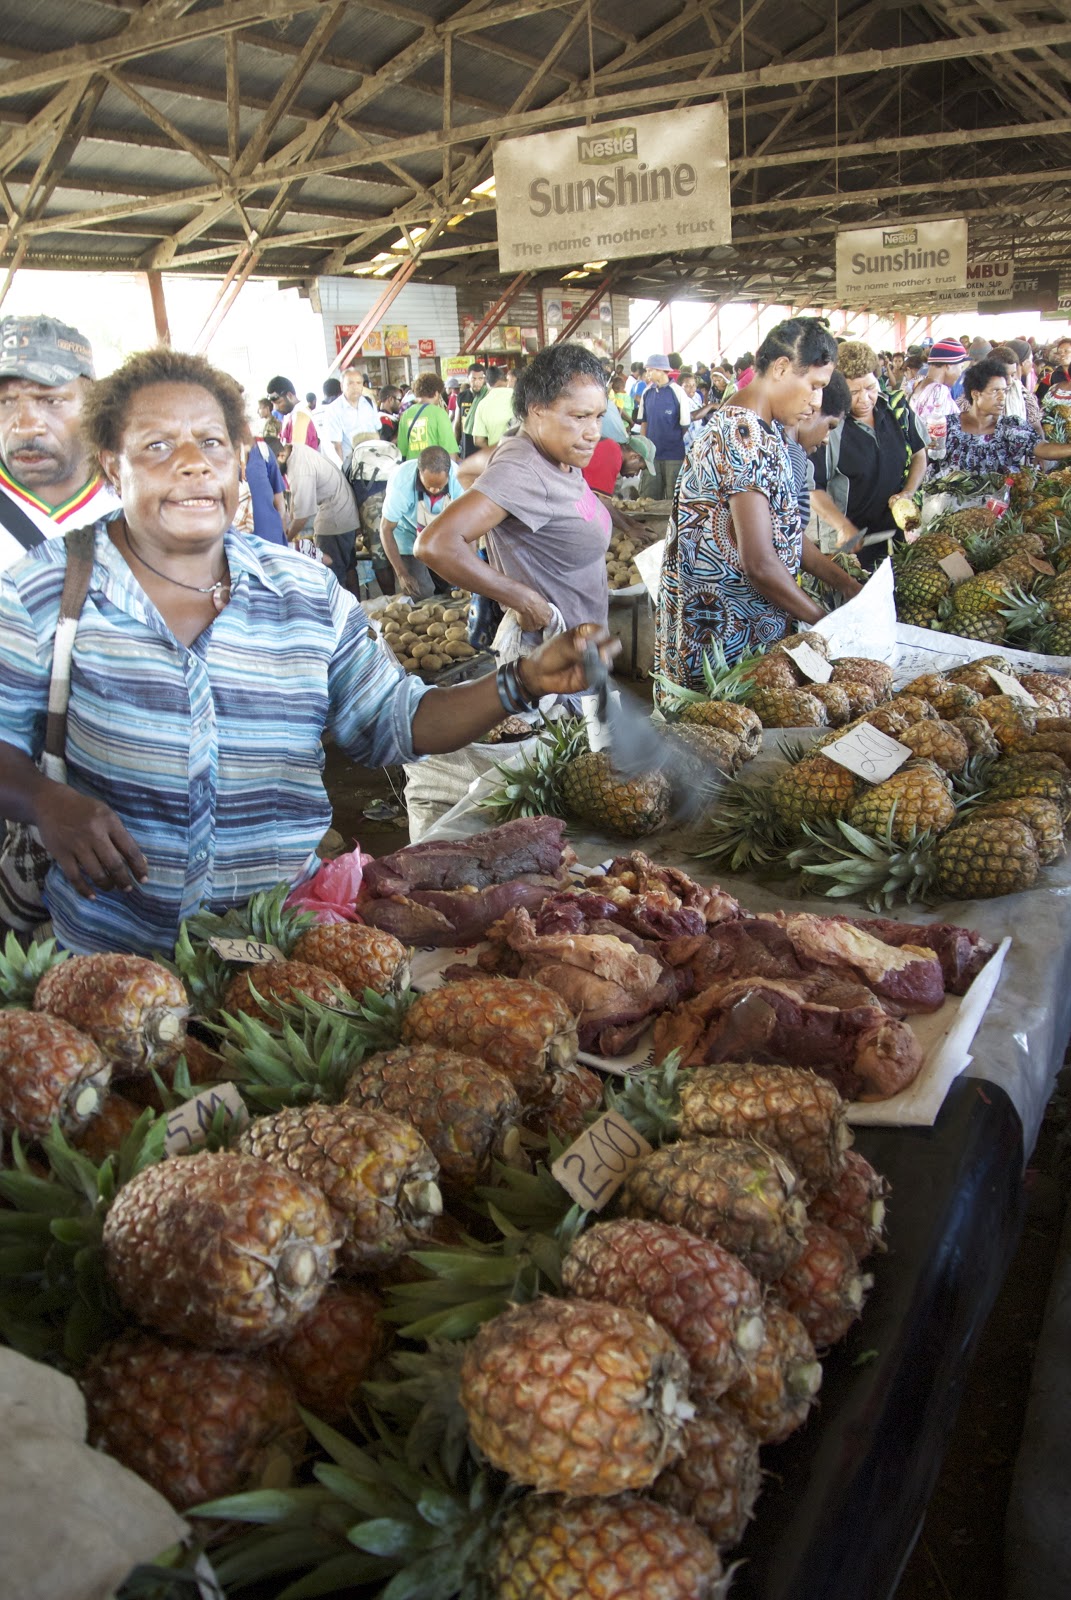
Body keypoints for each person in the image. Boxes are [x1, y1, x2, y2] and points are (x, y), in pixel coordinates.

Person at [0, 346, 615, 954]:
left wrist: (524, 680)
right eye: (158, 446)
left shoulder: (304, 591)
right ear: (112, 465)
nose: (193, 465)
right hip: (111, 953)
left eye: (212, 443)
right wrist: (47, 801)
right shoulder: (44, 590)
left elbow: (396, 719)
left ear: (240, 458)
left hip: (281, 948)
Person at [654, 317, 861, 694]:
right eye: (814, 386)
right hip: (721, 644)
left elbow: (784, 536)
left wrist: (844, 584)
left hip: (740, 639)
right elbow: (760, 564)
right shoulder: (743, 436)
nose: (816, 401)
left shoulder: (764, 431)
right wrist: (824, 623)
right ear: (781, 368)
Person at [415, 342, 611, 637]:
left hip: (582, 649)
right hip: (550, 659)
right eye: (580, 417)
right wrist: (524, 600)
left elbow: (468, 469)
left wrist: (494, 534)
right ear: (538, 410)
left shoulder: (556, 452)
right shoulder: (522, 469)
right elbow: (434, 544)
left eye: (599, 416)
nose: (594, 432)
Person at [0, 314, 119, 572]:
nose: (25, 426)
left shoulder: (134, 498)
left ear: (93, 405)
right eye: (6, 402)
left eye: (50, 401)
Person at [812, 340, 928, 568]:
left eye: (870, 388)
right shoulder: (830, 426)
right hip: (849, 545)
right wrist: (842, 525)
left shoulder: (897, 410)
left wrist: (907, 493)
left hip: (896, 537)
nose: (864, 399)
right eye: (853, 392)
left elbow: (919, 454)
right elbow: (813, 487)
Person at [929, 356, 1071, 478]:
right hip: (948, 506)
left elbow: (1043, 448)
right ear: (976, 394)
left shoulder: (1011, 427)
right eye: (995, 391)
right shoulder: (947, 426)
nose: (1002, 397)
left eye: (1004, 390)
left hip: (998, 507)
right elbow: (924, 457)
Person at [379, 445, 463, 599]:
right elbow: (385, 529)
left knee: (452, 585)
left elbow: (467, 524)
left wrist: (469, 561)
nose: (434, 490)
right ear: (419, 473)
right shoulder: (401, 484)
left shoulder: (458, 479)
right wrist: (401, 573)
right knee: (420, 592)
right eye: (429, 486)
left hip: (440, 533)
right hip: (407, 534)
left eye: (440, 486)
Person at [279, 438, 360, 584]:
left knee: (332, 575)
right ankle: (356, 605)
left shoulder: (299, 470)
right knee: (348, 568)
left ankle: (341, 606)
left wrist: (285, 541)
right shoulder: (294, 449)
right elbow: (295, 502)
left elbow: (302, 517)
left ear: (281, 456)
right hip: (344, 513)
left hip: (335, 518)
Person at [636, 354, 689, 501]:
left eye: (650, 370)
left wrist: (671, 438)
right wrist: (643, 449)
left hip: (673, 455)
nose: (647, 374)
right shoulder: (647, 392)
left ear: (661, 370)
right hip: (651, 457)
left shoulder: (677, 392)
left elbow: (684, 426)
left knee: (674, 499)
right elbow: (644, 423)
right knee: (648, 498)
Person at [908, 338, 967, 447]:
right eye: (961, 367)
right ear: (949, 366)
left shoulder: (917, 384)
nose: (960, 373)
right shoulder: (939, 392)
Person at [318, 366, 380, 466]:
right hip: (352, 466)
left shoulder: (369, 403)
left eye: (359, 383)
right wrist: (343, 473)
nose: (355, 387)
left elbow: (376, 431)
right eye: (350, 383)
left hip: (373, 463)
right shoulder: (334, 409)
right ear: (342, 386)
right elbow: (337, 446)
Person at [237, 432, 288, 546]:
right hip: (241, 550)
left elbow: (280, 504)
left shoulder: (262, 450)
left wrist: (284, 548)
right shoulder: (213, 461)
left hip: (272, 544)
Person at [397, 373, 459, 460]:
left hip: (412, 468)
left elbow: (402, 449)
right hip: (434, 469)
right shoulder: (439, 413)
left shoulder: (406, 414)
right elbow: (450, 450)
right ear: (436, 393)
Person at [989, 344, 1043, 436]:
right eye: (1004, 376)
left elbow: (1037, 429)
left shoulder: (1023, 394)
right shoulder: (975, 396)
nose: (1010, 381)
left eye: (1013, 375)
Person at [265, 375, 319, 452]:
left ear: (290, 395)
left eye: (279, 402)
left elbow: (298, 456)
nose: (275, 408)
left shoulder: (301, 416)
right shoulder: (289, 415)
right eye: (273, 404)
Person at [472, 366, 516, 451]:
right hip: (523, 453)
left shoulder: (482, 404)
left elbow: (478, 441)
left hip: (498, 457)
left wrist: (495, 451)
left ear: (487, 384)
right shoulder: (518, 395)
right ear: (506, 380)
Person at [459, 363, 488, 457]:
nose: (477, 382)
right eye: (473, 378)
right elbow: (457, 424)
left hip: (483, 447)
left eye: (480, 379)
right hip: (466, 446)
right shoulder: (462, 396)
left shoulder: (488, 396)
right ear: (468, 378)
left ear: (485, 379)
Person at [1037, 336, 1071, 405]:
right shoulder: (1050, 377)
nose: (1062, 354)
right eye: (1059, 352)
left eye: (1066, 351)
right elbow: (1040, 399)